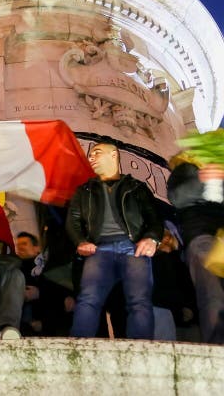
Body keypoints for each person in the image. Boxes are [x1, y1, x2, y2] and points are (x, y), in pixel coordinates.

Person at [66, 139, 162, 339]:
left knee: (139, 301)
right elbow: (73, 221)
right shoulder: (84, 191)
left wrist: (152, 239)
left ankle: (141, 350)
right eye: (90, 155)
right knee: (88, 299)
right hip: (99, 250)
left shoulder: (136, 187)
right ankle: (79, 349)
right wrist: (80, 241)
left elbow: (154, 217)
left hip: (133, 247)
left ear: (114, 155)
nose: (91, 157)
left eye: (97, 152)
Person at [167, 156, 224, 343]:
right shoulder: (186, 170)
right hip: (202, 235)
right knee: (212, 293)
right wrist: (204, 179)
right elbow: (178, 196)